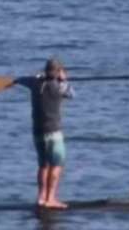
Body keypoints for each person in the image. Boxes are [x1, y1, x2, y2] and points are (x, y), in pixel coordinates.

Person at [13, 58, 75, 209]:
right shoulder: (60, 86)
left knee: (43, 166)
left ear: (45, 70)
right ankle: (51, 199)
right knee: (57, 165)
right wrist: (64, 79)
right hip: (54, 133)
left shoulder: (34, 83)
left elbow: (19, 80)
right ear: (58, 72)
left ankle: (41, 198)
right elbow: (72, 94)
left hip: (38, 132)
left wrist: (38, 76)